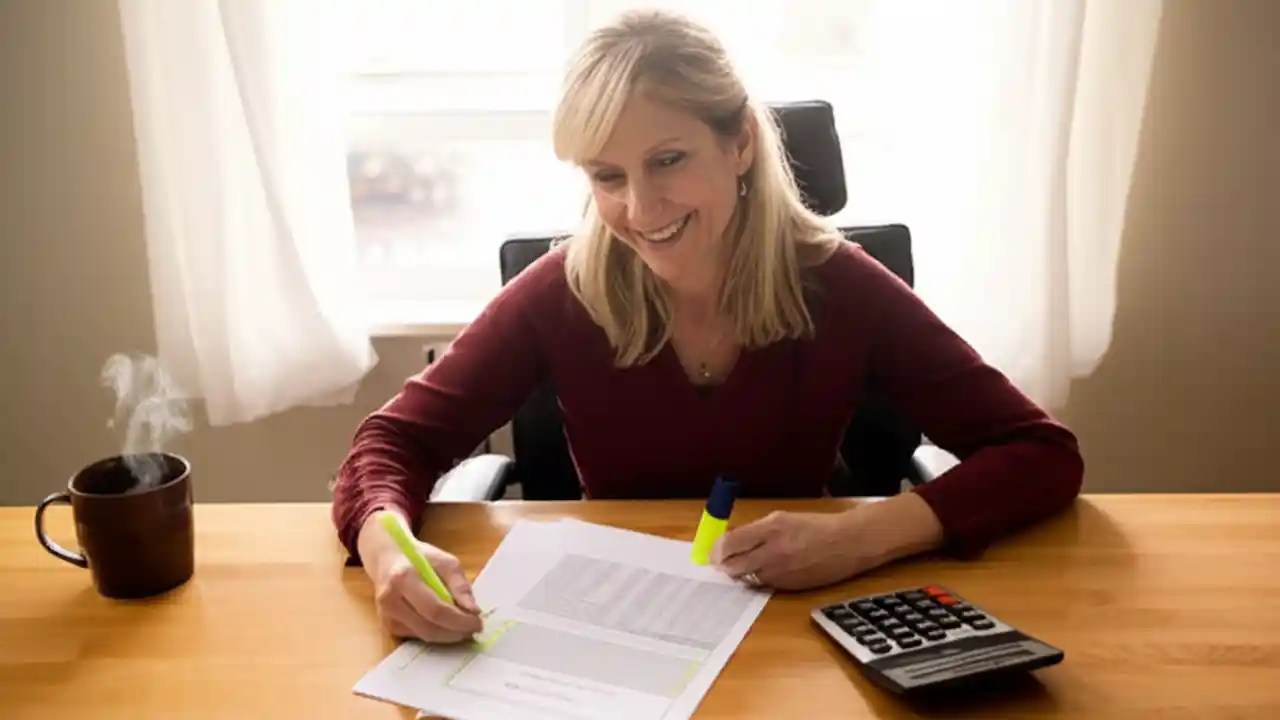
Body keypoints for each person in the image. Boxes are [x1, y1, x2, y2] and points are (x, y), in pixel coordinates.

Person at [331, 9, 1084, 645]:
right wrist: (389, 551)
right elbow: (393, 442)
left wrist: (864, 535)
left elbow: (1041, 453)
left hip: (795, 629)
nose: (640, 208)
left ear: (740, 144)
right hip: (613, 628)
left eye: (668, 159)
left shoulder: (841, 284)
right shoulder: (563, 289)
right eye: (607, 176)